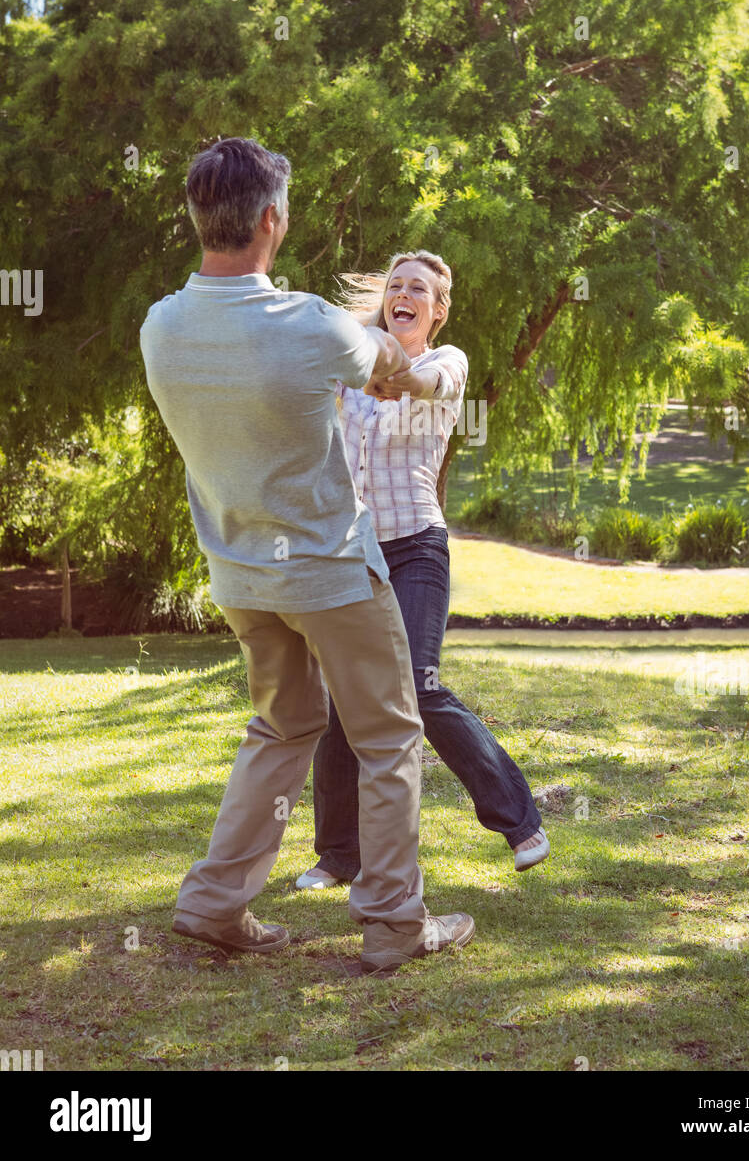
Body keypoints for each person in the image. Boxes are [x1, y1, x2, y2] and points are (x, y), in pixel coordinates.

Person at [139, 137, 474, 973]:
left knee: (283, 724)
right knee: (390, 736)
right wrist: (433, 378)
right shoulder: (312, 324)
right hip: (328, 570)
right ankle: (397, 922)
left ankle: (214, 903)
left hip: (240, 574)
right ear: (272, 220)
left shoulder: (161, 325)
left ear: (197, 217)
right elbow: (396, 371)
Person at [296, 249, 549, 893]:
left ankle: (519, 823)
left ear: (436, 311)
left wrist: (385, 374)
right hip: (352, 552)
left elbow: (423, 387)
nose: (403, 295)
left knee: (420, 683)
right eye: (395, 286)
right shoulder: (344, 367)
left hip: (414, 548)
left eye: (419, 290)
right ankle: (337, 856)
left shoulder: (447, 361)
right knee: (338, 706)